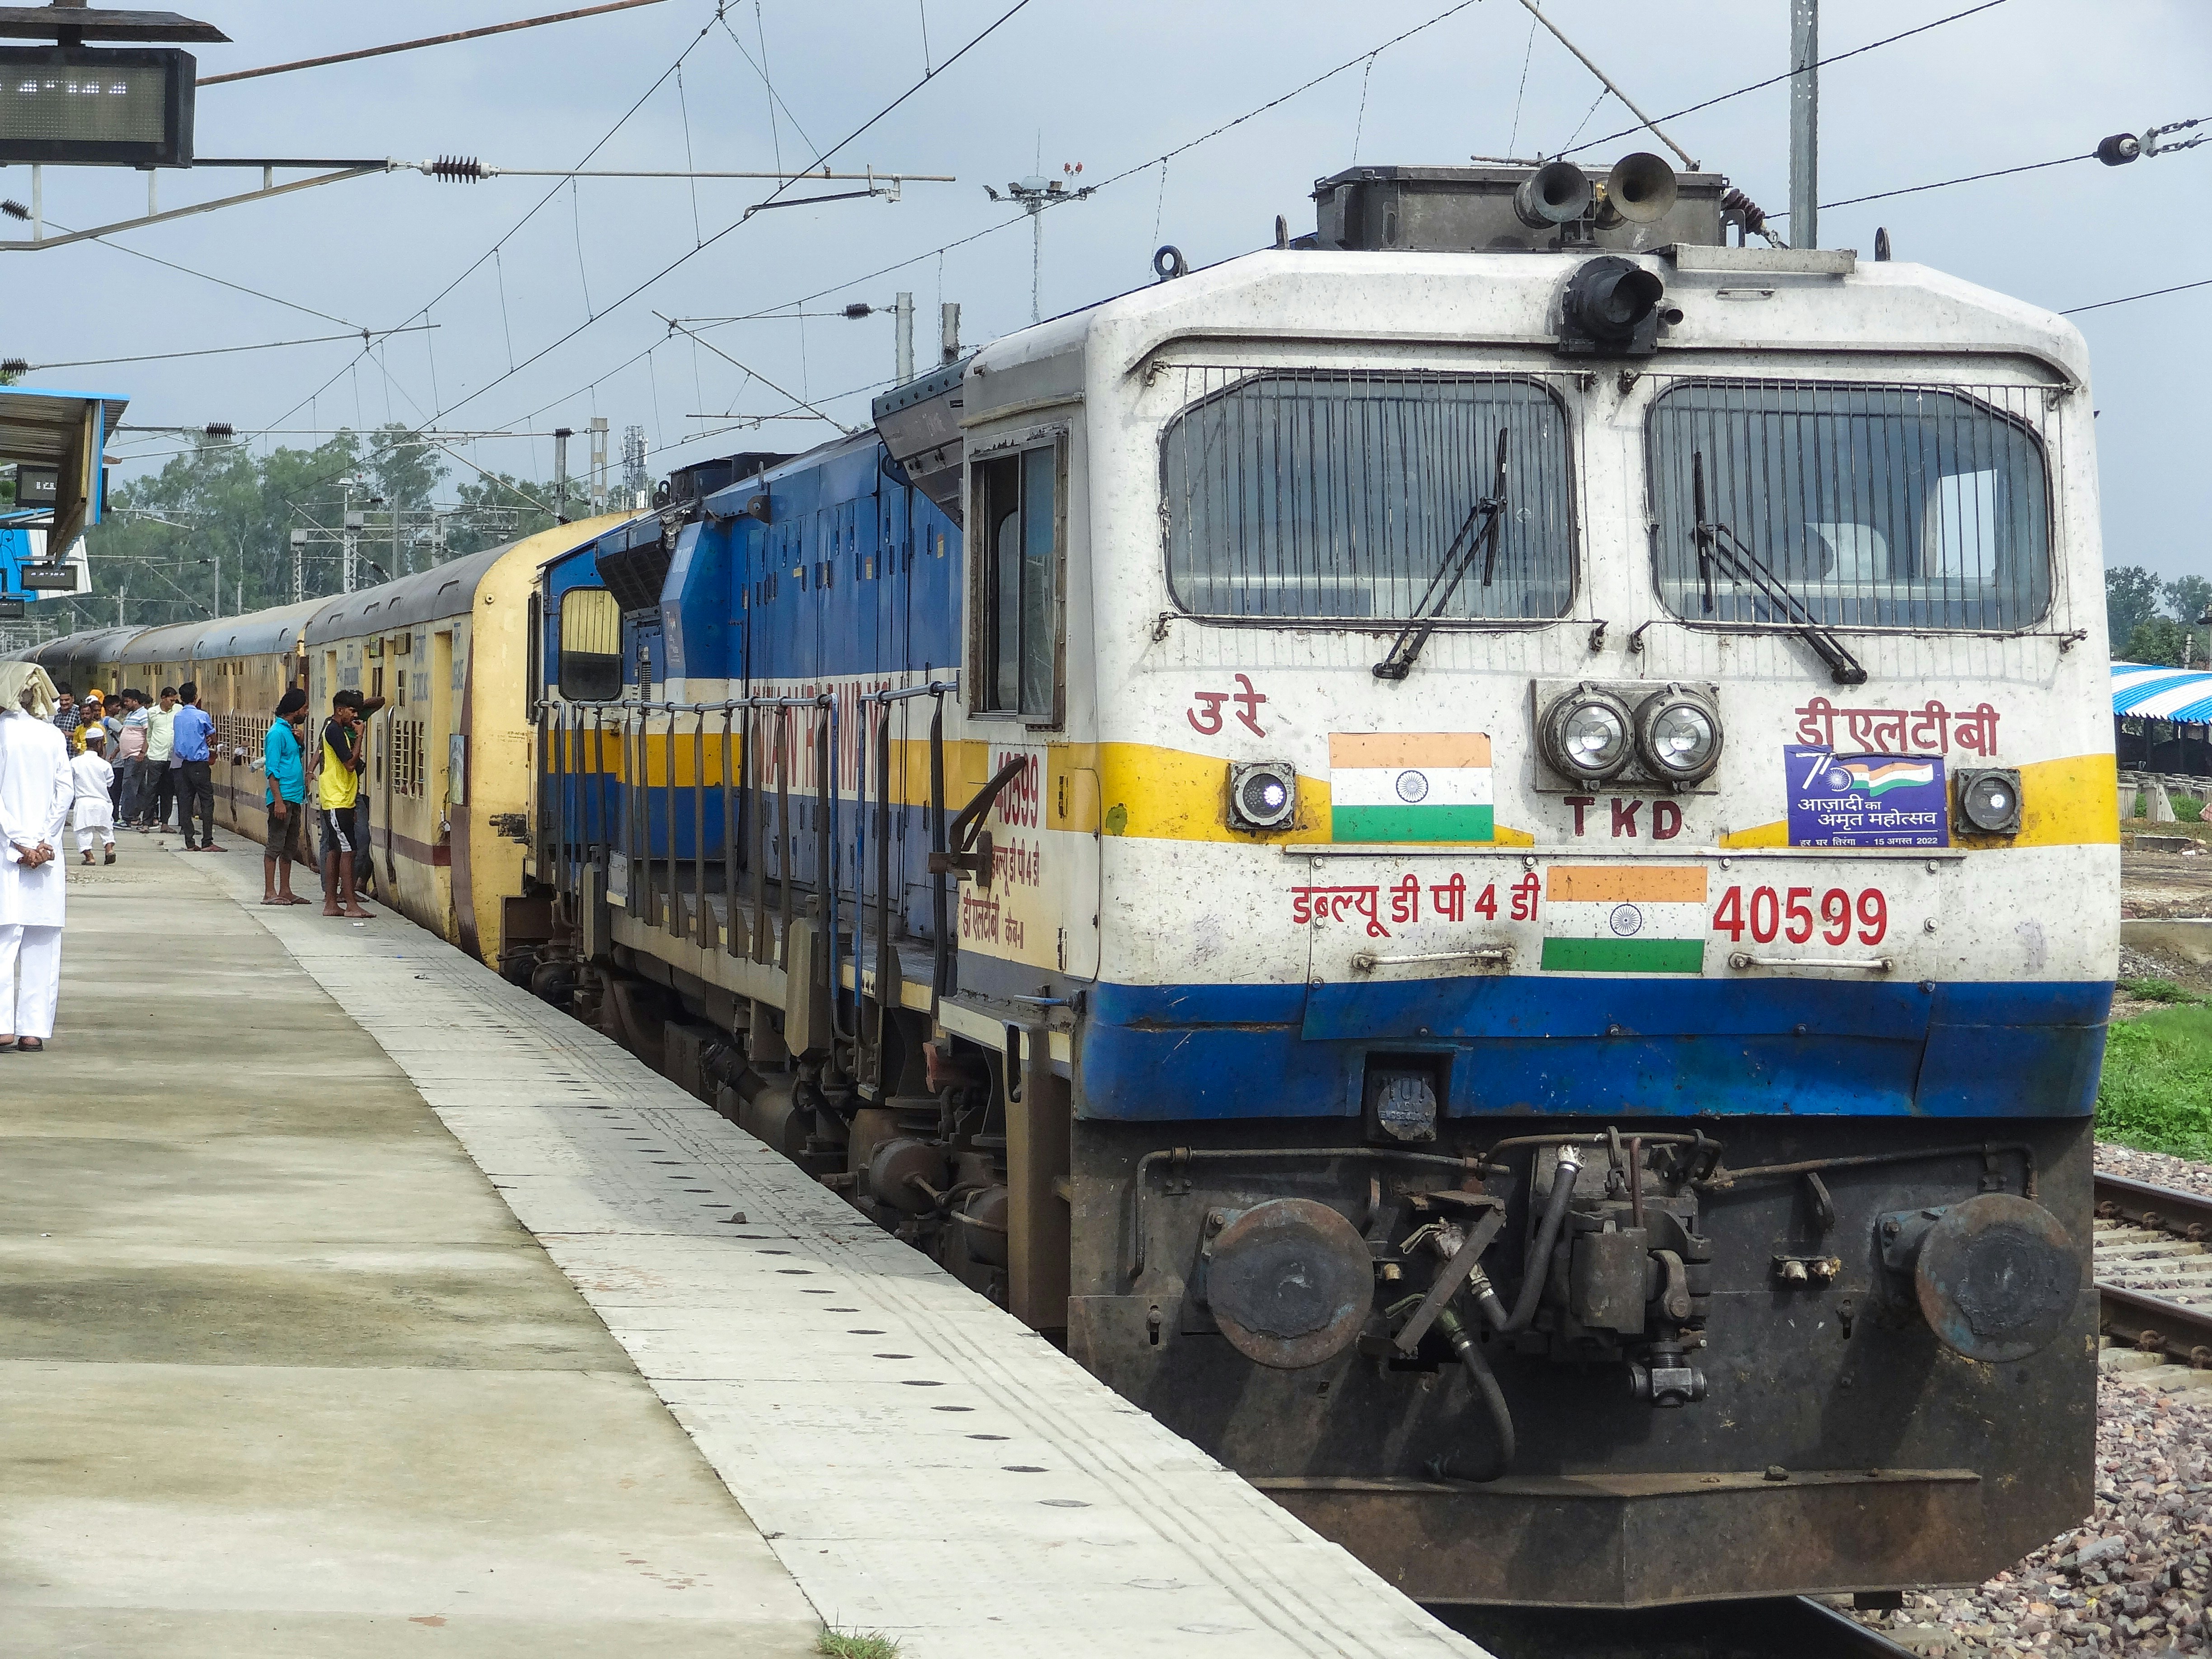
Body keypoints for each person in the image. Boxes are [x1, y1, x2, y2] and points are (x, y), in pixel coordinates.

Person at [0, 662, 72, 1053]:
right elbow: (65, 792)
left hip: (7, 853)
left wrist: (20, 843)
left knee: (2, 942)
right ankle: (33, 1030)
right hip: (47, 857)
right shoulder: (52, 735)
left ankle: (2, 1028)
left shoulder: (1, 732)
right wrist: (44, 841)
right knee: (43, 942)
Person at [317, 690, 372, 919]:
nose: (355, 716)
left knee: (336, 851)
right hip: (337, 799)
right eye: (352, 711)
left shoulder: (335, 730)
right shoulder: (334, 731)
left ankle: (332, 904)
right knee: (348, 852)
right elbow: (350, 764)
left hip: (341, 800)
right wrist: (360, 737)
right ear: (340, 710)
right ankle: (351, 904)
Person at [262, 689, 311, 905]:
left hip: (295, 797)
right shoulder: (276, 734)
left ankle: (286, 890)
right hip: (282, 798)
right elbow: (272, 771)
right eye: (305, 708)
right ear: (295, 710)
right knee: (275, 845)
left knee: (289, 847)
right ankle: (269, 892)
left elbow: (293, 759)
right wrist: (278, 802)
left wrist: (301, 744)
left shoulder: (290, 732)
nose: (306, 712)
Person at [171, 681, 220, 853]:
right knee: (207, 801)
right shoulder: (202, 715)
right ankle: (207, 841)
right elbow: (213, 738)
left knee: (185, 802)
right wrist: (209, 741)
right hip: (200, 764)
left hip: (183, 764)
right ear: (195, 697)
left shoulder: (177, 717)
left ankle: (190, 842)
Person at [70, 729, 116, 866]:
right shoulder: (105, 765)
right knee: (106, 828)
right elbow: (110, 783)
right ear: (99, 744)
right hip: (102, 801)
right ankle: (109, 849)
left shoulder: (75, 762)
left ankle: (89, 857)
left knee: (83, 831)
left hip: (83, 802)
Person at [113, 689, 150, 827]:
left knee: (128, 786)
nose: (126, 704)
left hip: (136, 756)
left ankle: (127, 818)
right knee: (140, 789)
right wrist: (116, 752)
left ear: (135, 701)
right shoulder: (130, 715)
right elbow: (126, 734)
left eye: (128, 701)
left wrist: (142, 752)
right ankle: (138, 815)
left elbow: (148, 735)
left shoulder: (143, 714)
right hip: (128, 756)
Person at [146, 686, 178, 831]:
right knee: (151, 790)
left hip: (171, 757)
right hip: (156, 756)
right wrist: (150, 749)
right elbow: (150, 733)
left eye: (175, 700)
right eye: (171, 700)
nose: (173, 703)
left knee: (168, 792)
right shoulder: (152, 712)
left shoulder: (178, 710)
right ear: (163, 698)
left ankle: (165, 823)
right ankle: (146, 823)